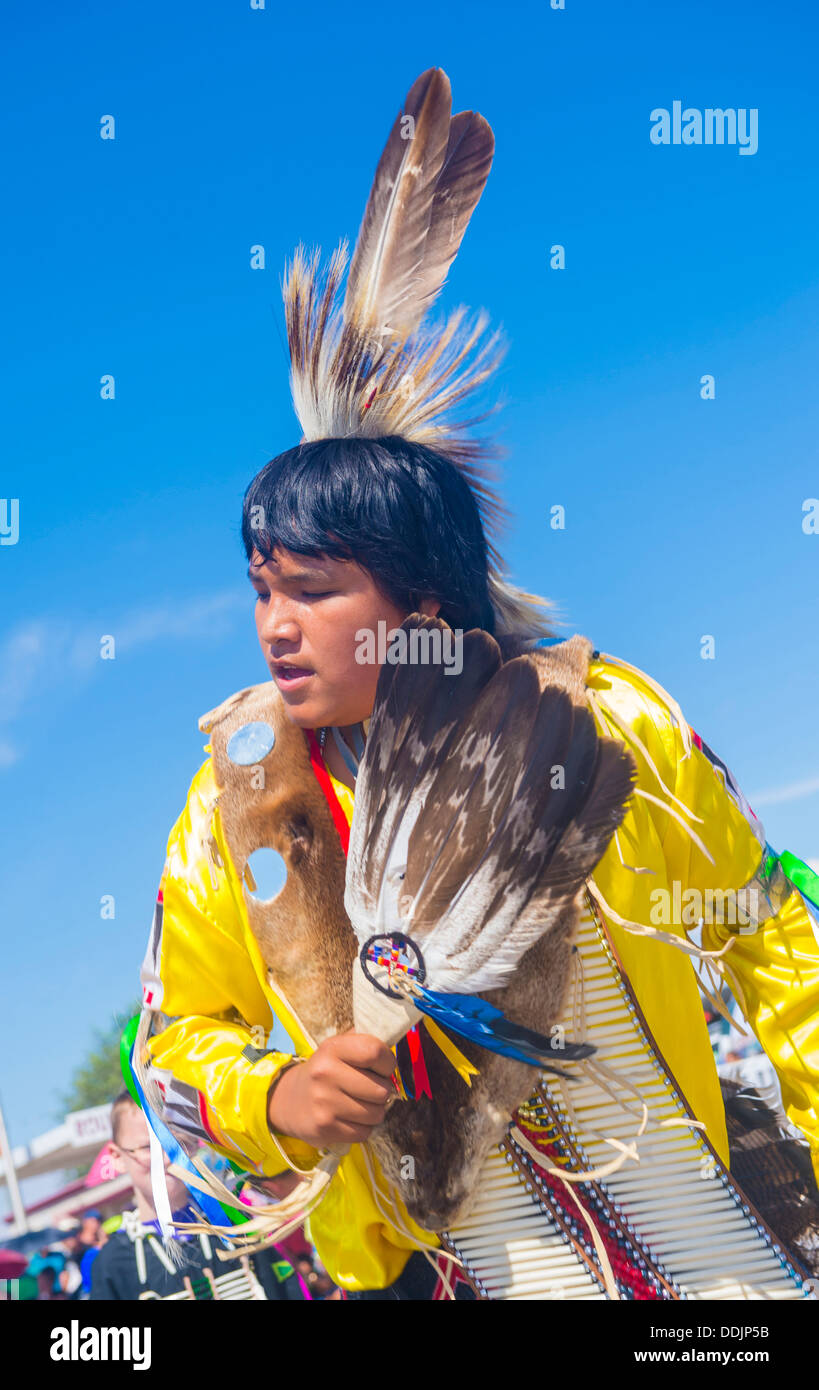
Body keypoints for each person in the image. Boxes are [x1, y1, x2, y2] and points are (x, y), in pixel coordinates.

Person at [133, 68, 819, 1298]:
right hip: (445, 1265)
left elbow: (771, 934)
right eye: (260, 590)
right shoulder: (231, 813)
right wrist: (275, 1095)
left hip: (704, 1249)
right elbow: (173, 1050)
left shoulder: (607, 724)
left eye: (316, 589)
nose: (274, 628)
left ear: (424, 603)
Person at [90, 1093, 304, 1300]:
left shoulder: (235, 1224)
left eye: (177, 1142)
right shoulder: (112, 1263)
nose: (165, 1158)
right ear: (117, 1157)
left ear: (194, 1143)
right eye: (149, 1147)